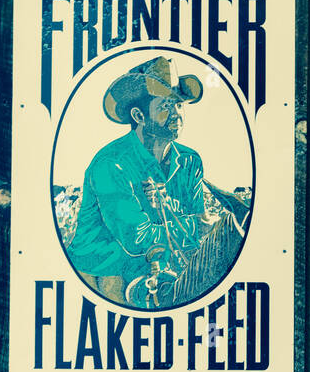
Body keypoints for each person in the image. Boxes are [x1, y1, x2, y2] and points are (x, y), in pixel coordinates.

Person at [66, 56, 245, 308]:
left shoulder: (190, 161)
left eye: (179, 105)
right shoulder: (110, 164)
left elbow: (194, 228)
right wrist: (196, 226)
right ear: (139, 115)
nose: (177, 113)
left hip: (160, 265)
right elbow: (137, 239)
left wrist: (184, 219)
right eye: (165, 105)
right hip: (103, 272)